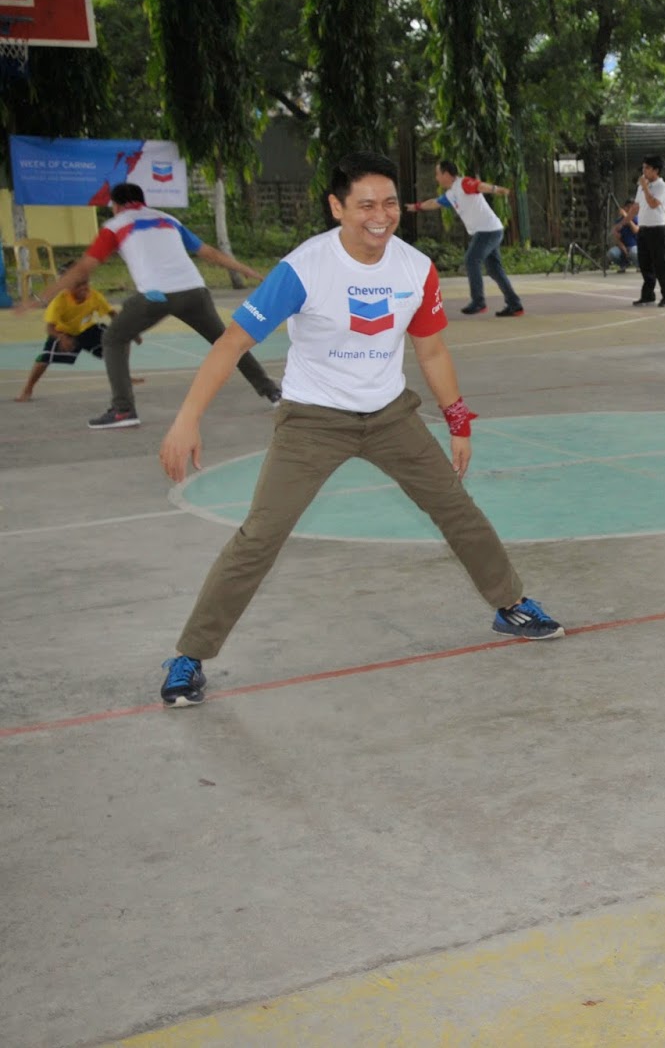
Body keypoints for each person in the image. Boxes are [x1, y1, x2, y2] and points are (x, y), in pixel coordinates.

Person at [153, 151, 563, 708]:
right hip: (312, 421)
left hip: (390, 415)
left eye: (389, 203)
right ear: (337, 207)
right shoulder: (304, 268)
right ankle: (190, 655)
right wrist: (186, 419)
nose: (381, 215)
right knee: (261, 536)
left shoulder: (414, 267)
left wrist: (458, 419)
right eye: (366, 204)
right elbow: (232, 342)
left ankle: (510, 604)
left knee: (456, 509)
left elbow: (432, 351)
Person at [19, 182, 280, 429]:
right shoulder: (168, 220)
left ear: (116, 205)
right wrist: (246, 270)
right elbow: (209, 253)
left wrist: (40, 299)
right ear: (142, 202)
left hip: (156, 296)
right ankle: (273, 392)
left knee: (113, 339)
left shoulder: (115, 225)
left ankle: (123, 410)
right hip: (195, 292)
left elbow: (82, 269)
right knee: (227, 342)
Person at [406, 160, 524, 318]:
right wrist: (417, 207)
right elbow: (434, 202)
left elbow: (479, 186)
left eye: (438, 174)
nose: (436, 178)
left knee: (471, 260)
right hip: (488, 230)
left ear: (446, 174)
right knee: (494, 270)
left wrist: (496, 189)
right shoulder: (451, 194)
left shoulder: (464, 183)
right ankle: (515, 305)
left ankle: (478, 302)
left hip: (488, 231)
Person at [14, 275, 144, 401]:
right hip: (64, 332)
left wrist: (130, 331)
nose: (83, 288)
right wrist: (62, 337)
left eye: (85, 284)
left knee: (120, 339)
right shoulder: (60, 301)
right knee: (44, 359)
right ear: (68, 287)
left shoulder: (94, 296)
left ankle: (124, 376)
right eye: (78, 285)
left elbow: (112, 313)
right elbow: (49, 328)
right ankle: (28, 389)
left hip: (87, 330)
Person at [623, 155, 665, 308]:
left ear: (656, 170)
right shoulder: (641, 187)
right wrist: (625, 221)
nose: (644, 171)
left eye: (647, 168)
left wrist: (645, 187)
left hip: (657, 229)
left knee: (661, 264)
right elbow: (636, 206)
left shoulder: (662, 187)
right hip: (643, 229)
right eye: (643, 168)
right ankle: (648, 295)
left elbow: (652, 204)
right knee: (645, 264)